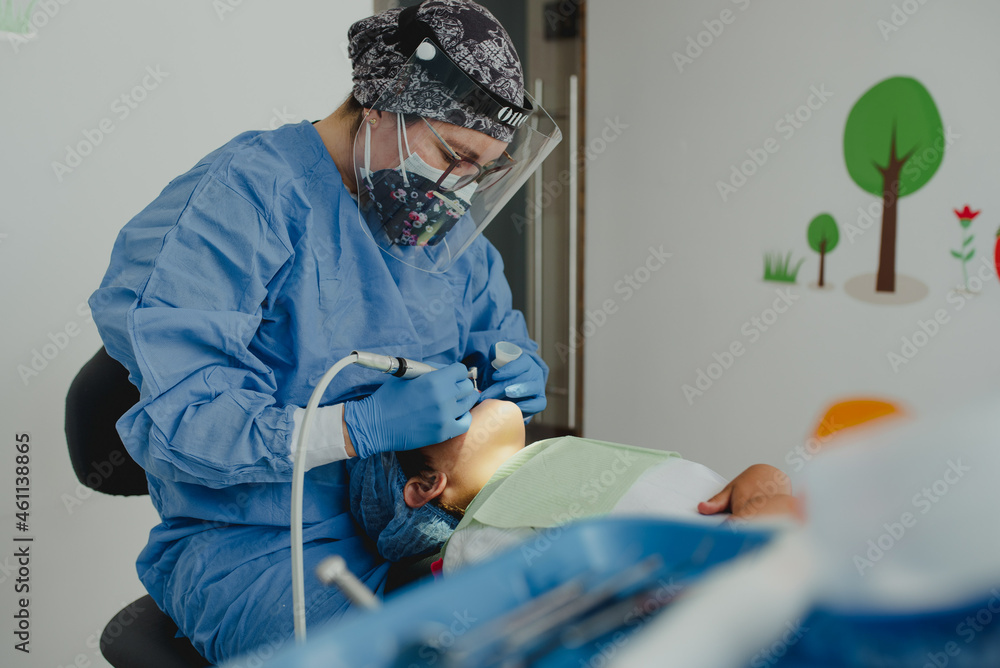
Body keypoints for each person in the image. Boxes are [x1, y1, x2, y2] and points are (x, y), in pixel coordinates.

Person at [88, 1, 559, 663]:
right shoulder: (246, 199)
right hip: (257, 546)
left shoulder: (433, 224)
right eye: (453, 155)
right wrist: (354, 429)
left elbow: (496, 328)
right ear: (379, 103)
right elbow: (184, 420)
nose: (457, 189)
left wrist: (514, 365)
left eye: (480, 172)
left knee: (564, 625)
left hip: (414, 526)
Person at [348, 397, 796, 571]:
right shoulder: (476, 543)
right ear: (425, 487)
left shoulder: (552, 458)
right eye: (442, 420)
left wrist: (764, 484)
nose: (464, 395)